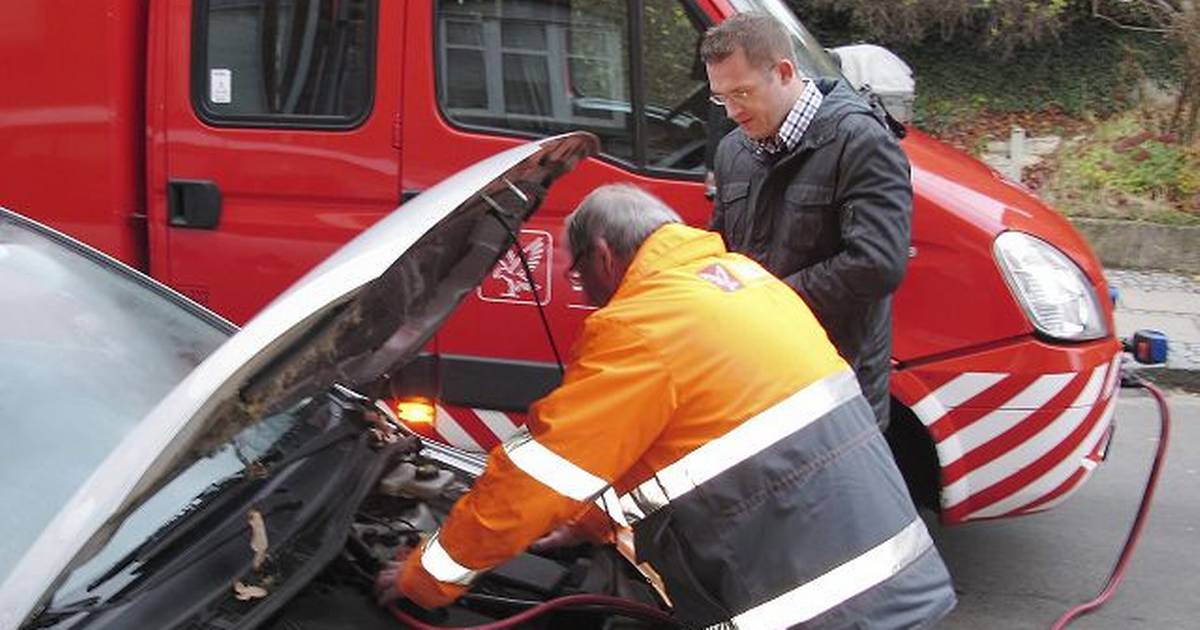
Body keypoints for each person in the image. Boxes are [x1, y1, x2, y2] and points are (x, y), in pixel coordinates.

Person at [375, 184, 954, 629]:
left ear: (602, 255)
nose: (582, 293)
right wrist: (585, 525)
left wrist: (424, 577)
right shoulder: (745, 282)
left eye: (578, 276)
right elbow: (668, 446)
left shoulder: (643, 325)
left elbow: (535, 478)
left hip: (819, 607)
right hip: (891, 577)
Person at [703, 12, 913, 429]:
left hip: (837, 387)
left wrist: (769, 300)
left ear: (784, 72)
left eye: (741, 93)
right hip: (761, 379)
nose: (731, 111)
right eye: (720, 97)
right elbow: (722, 246)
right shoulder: (732, 151)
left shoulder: (862, 141)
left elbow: (877, 264)